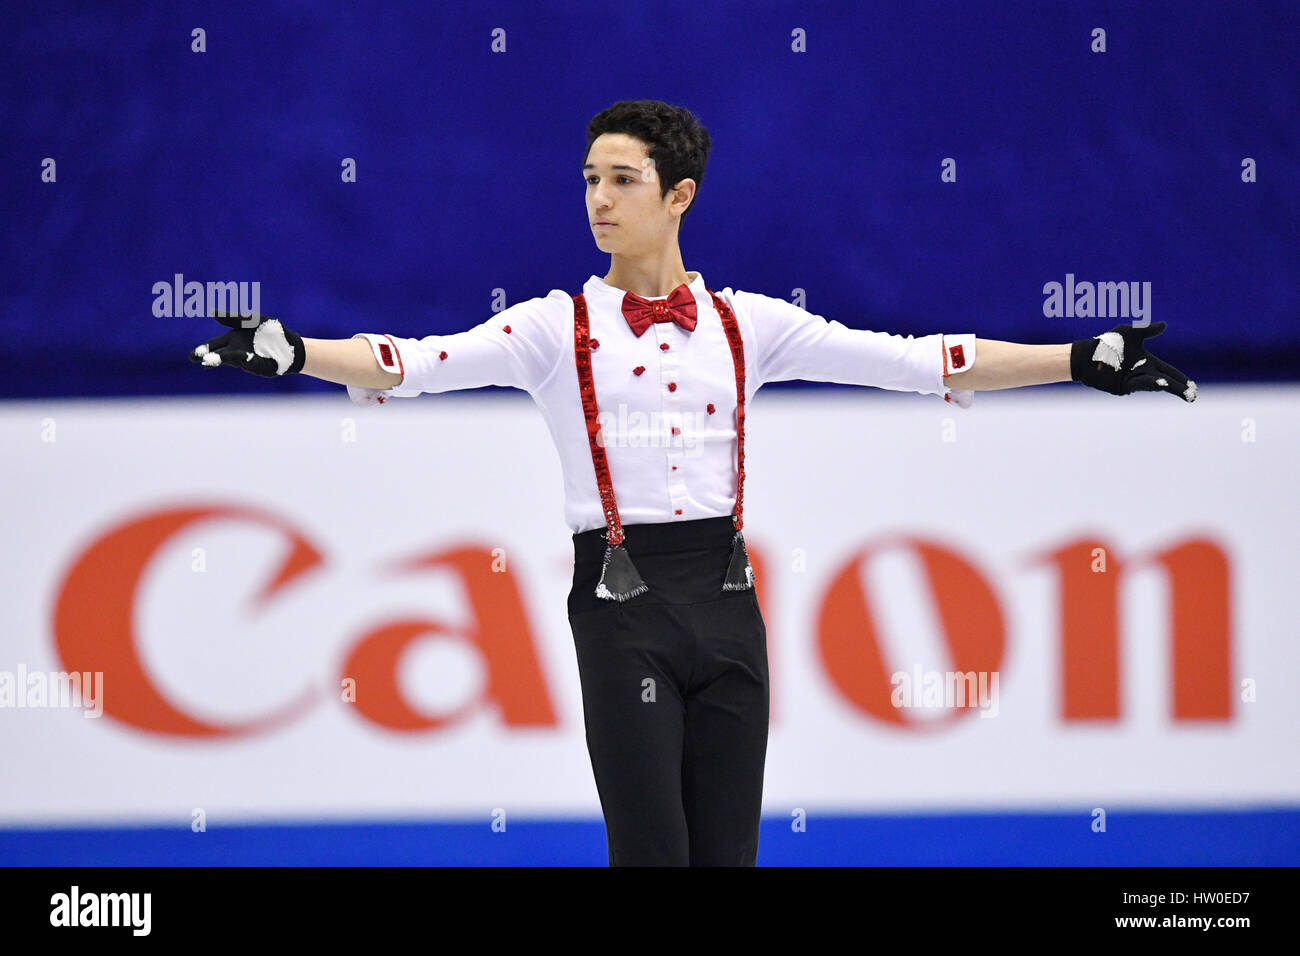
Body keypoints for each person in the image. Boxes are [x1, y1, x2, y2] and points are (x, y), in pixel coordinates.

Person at [189, 99, 1196, 867]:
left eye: (622, 179)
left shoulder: (747, 324)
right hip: (620, 603)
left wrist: (1078, 357)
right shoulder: (551, 329)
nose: (597, 198)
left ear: (679, 196)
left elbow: (919, 358)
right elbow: (411, 361)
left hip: (727, 604)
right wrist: (294, 351)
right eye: (588, 177)